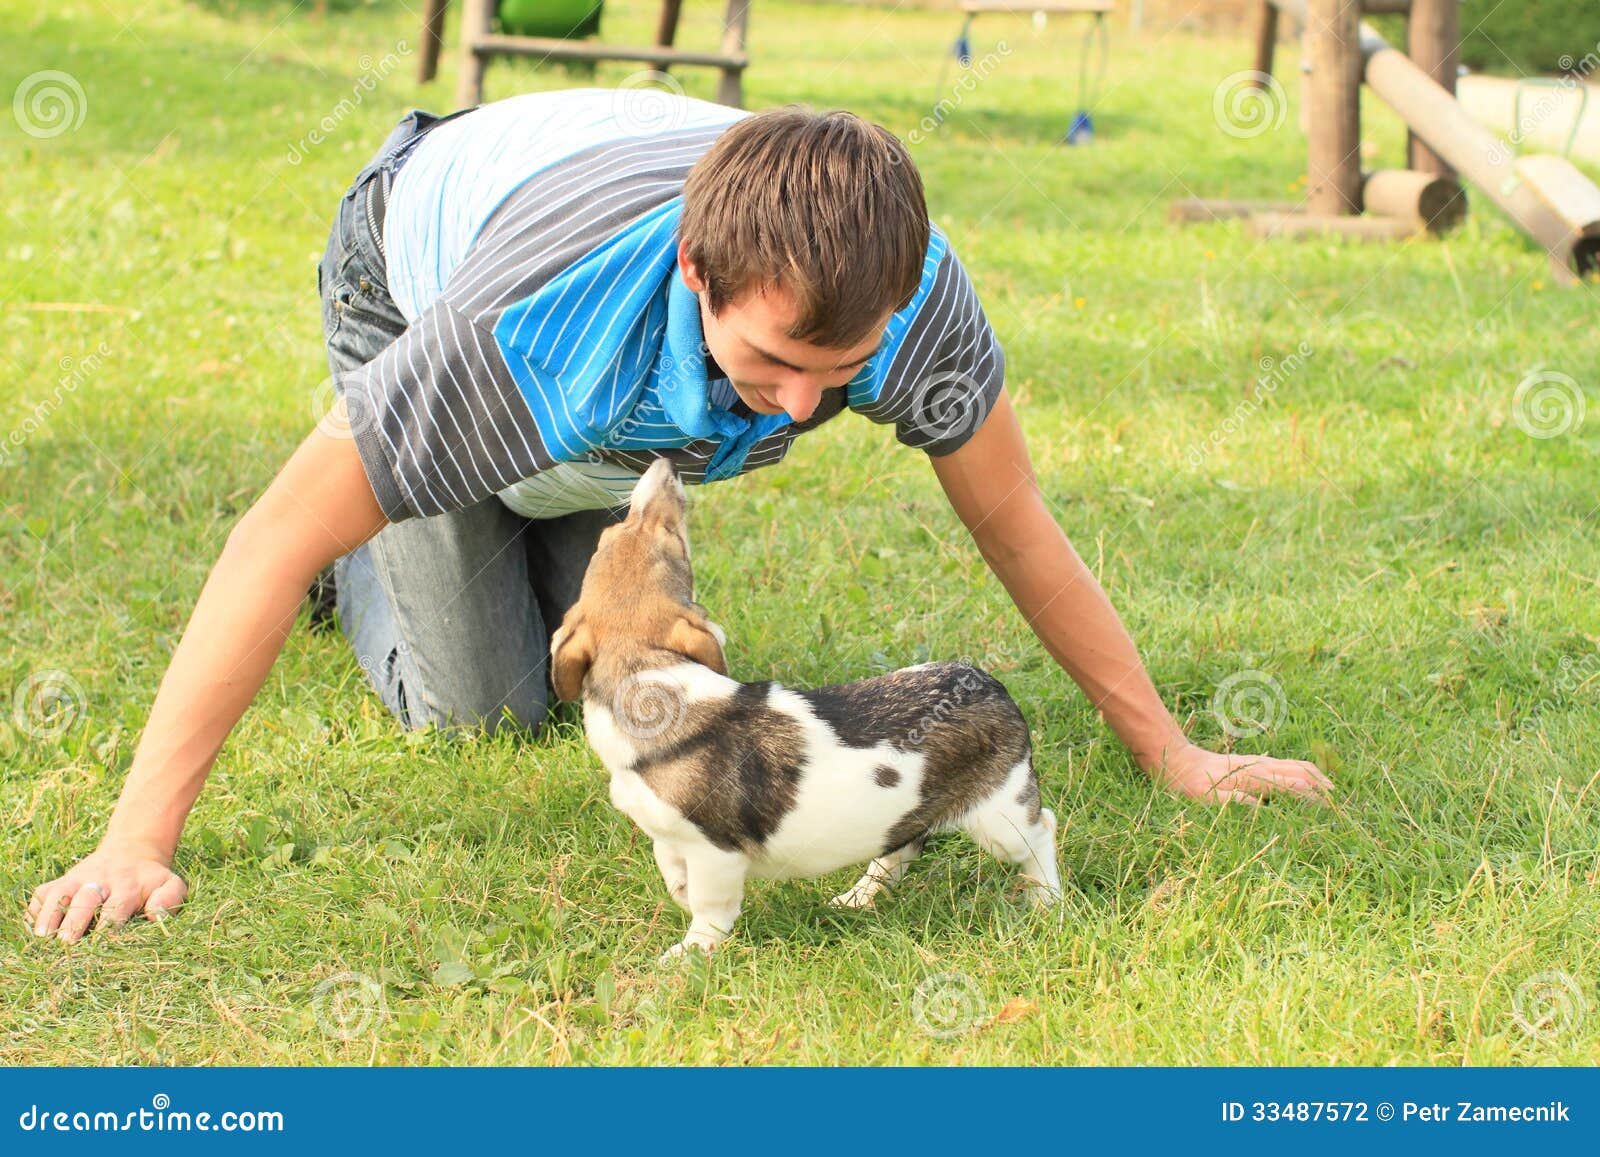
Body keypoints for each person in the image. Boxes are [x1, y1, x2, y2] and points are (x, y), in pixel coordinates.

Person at [28, 88, 1331, 943]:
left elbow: (1015, 524)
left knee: (600, 593)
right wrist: (136, 838)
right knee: (488, 700)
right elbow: (268, 534)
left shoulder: (910, 297)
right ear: (699, 274)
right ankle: (381, 545)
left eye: (842, 373)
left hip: (597, 359)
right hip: (420, 250)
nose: (813, 401)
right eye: (774, 367)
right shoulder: (521, 332)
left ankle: (507, 506)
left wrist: (1174, 751)